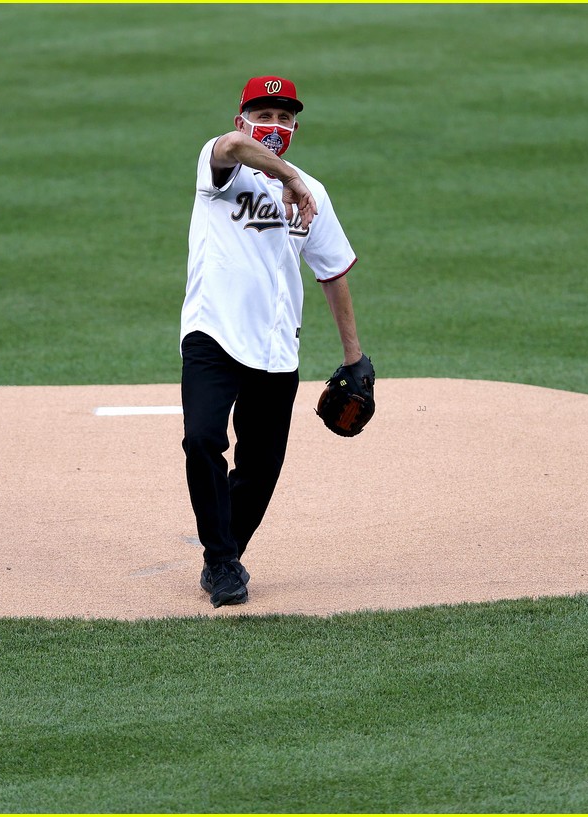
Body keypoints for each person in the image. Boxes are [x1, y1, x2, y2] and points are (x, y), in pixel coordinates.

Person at [180, 76, 369, 607]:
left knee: (261, 470)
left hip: (276, 347)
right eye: (264, 114)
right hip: (212, 334)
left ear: (296, 127)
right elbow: (236, 148)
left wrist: (354, 359)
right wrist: (287, 176)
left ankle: (225, 552)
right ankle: (220, 563)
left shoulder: (313, 194)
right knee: (202, 440)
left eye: (285, 119)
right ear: (241, 118)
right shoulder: (220, 167)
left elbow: (333, 272)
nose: (275, 126)